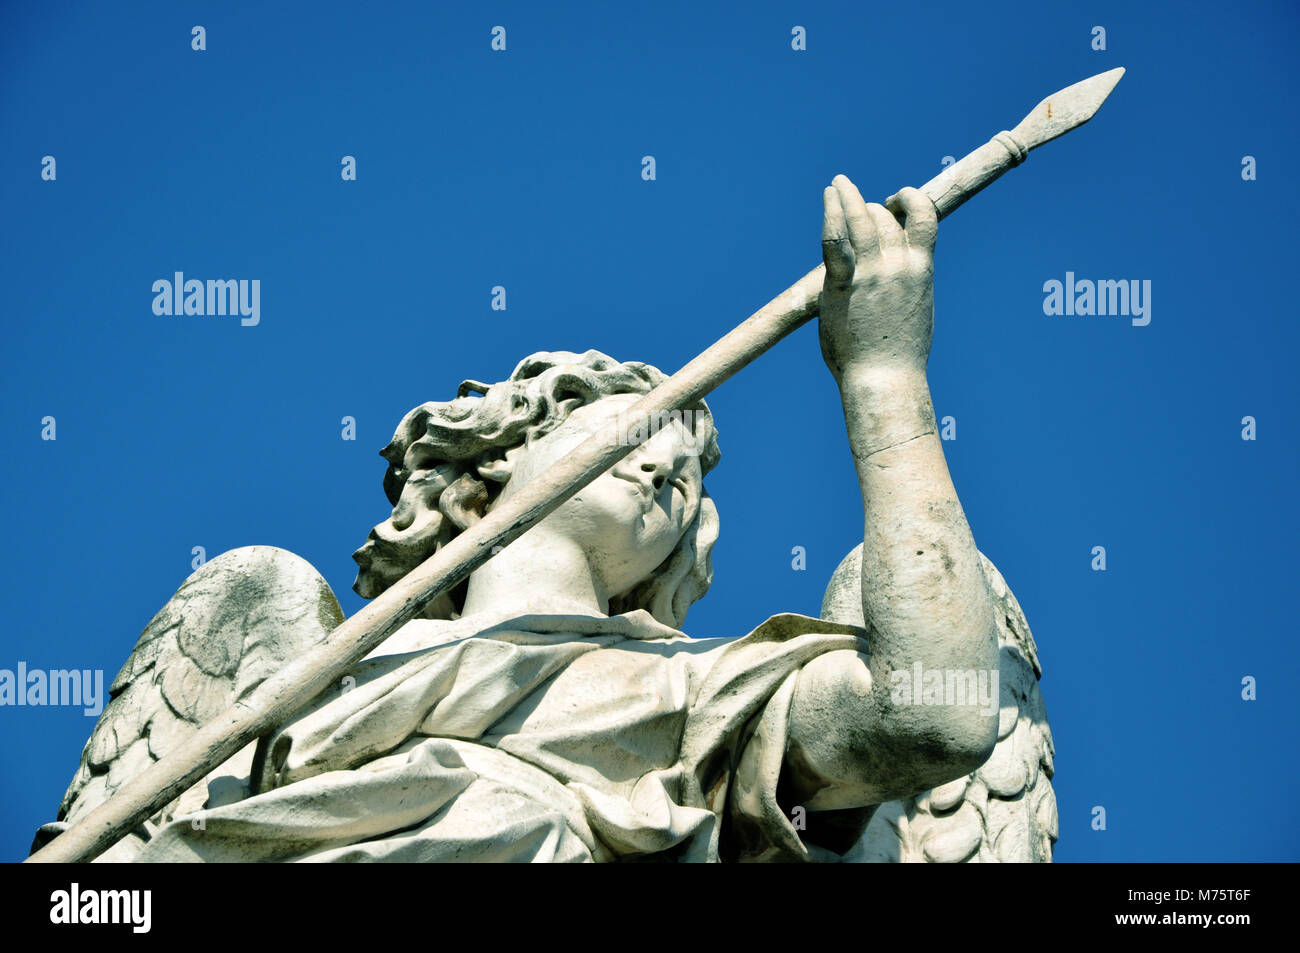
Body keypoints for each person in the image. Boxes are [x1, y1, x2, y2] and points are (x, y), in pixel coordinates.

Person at [46, 179, 1002, 862]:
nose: (671, 458)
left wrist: (882, 373)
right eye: (633, 424)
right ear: (501, 456)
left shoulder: (702, 687)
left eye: (692, 475)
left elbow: (935, 715)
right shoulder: (314, 677)